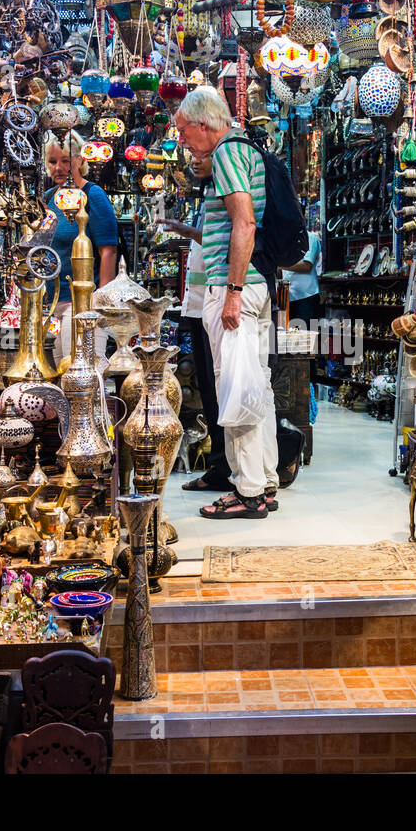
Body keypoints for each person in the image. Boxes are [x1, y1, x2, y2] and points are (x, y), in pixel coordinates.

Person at [173, 86, 279, 519]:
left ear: (203, 123)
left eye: (183, 131)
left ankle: (248, 490)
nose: (182, 141)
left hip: (235, 286)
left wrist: (232, 292)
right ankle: (263, 481)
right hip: (249, 284)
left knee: (236, 387)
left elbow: (245, 221)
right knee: (254, 386)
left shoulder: (227, 153)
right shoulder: (239, 150)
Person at [166, 154, 234, 494]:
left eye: (201, 156)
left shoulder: (225, 193)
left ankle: (226, 465)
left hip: (214, 301)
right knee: (208, 387)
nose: (193, 161)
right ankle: (220, 465)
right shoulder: (208, 196)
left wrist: (186, 231)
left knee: (219, 387)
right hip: (197, 303)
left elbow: (223, 243)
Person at [44, 131, 119, 362]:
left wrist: (101, 301)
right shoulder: (48, 198)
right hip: (54, 304)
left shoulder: (91, 194)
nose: (58, 167)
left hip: (84, 303)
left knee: (84, 370)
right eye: (53, 161)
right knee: (59, 369)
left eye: (65, 161)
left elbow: (108, 250)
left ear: (79, 160)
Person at [284, 219, 323, 326]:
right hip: (288, 296)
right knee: (290, 337)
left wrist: (279, 265)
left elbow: (307, 266)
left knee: (307, 337)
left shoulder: (310, 238)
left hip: (306, 297)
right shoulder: (285, 240)